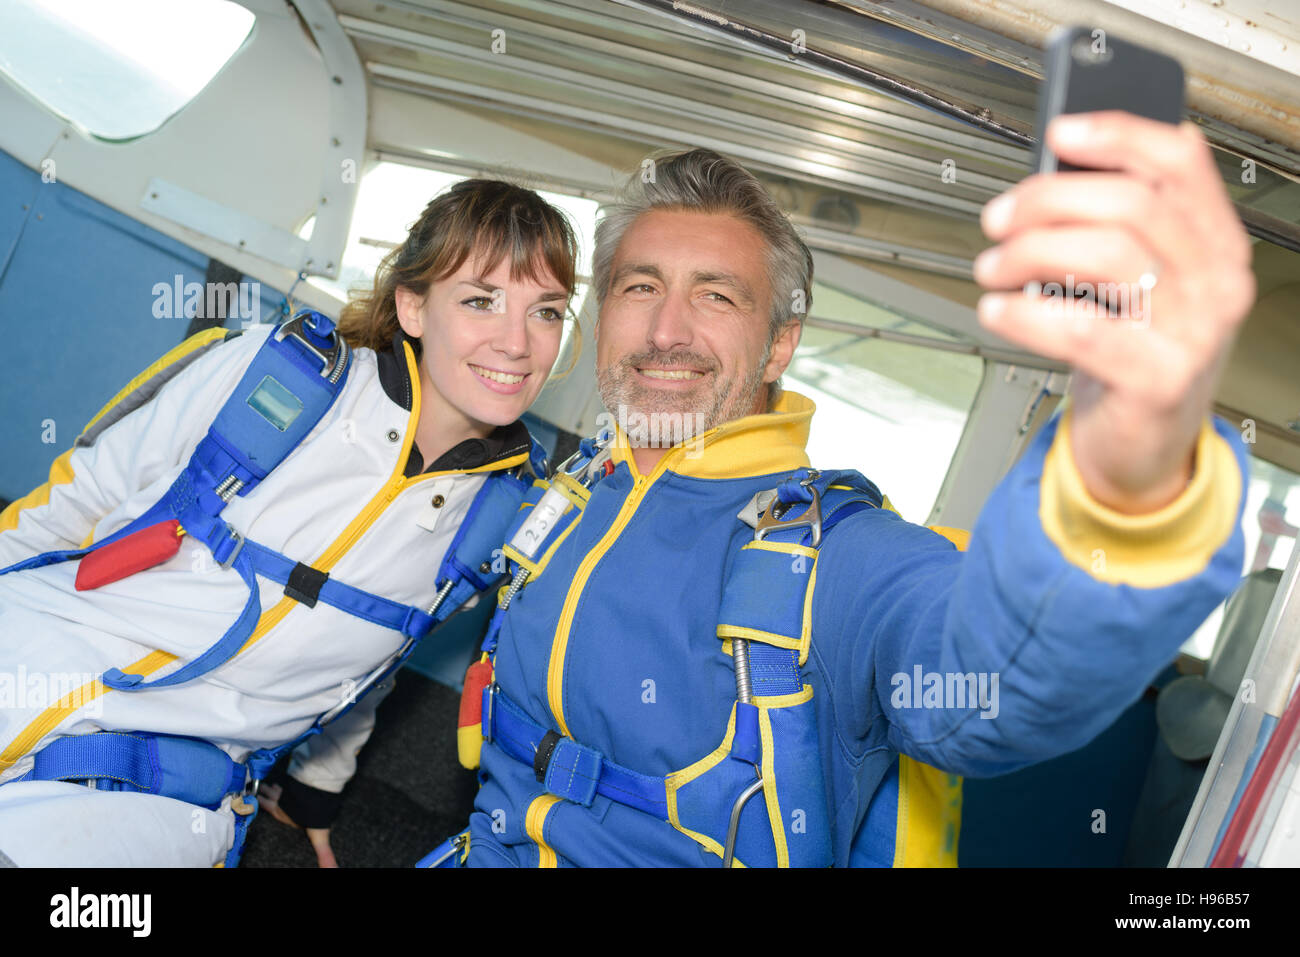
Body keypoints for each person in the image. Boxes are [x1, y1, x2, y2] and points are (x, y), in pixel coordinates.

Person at [436, 112, 1256, 867]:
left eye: (716, 296)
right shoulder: (572, 492)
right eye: (640, 286)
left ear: (778, 344)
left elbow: (990, 685)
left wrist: (1131, 470)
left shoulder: (840, 551)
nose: (666, 331)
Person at [0, 179, 579, 867]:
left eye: (546, 312)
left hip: (172, 776)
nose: (517, 343)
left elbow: (369, 663)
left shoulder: (502, 519)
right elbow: (73, 499)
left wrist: (316, 791)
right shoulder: (271, 373)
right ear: (413, 306)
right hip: (38, 649)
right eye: (482, 300)